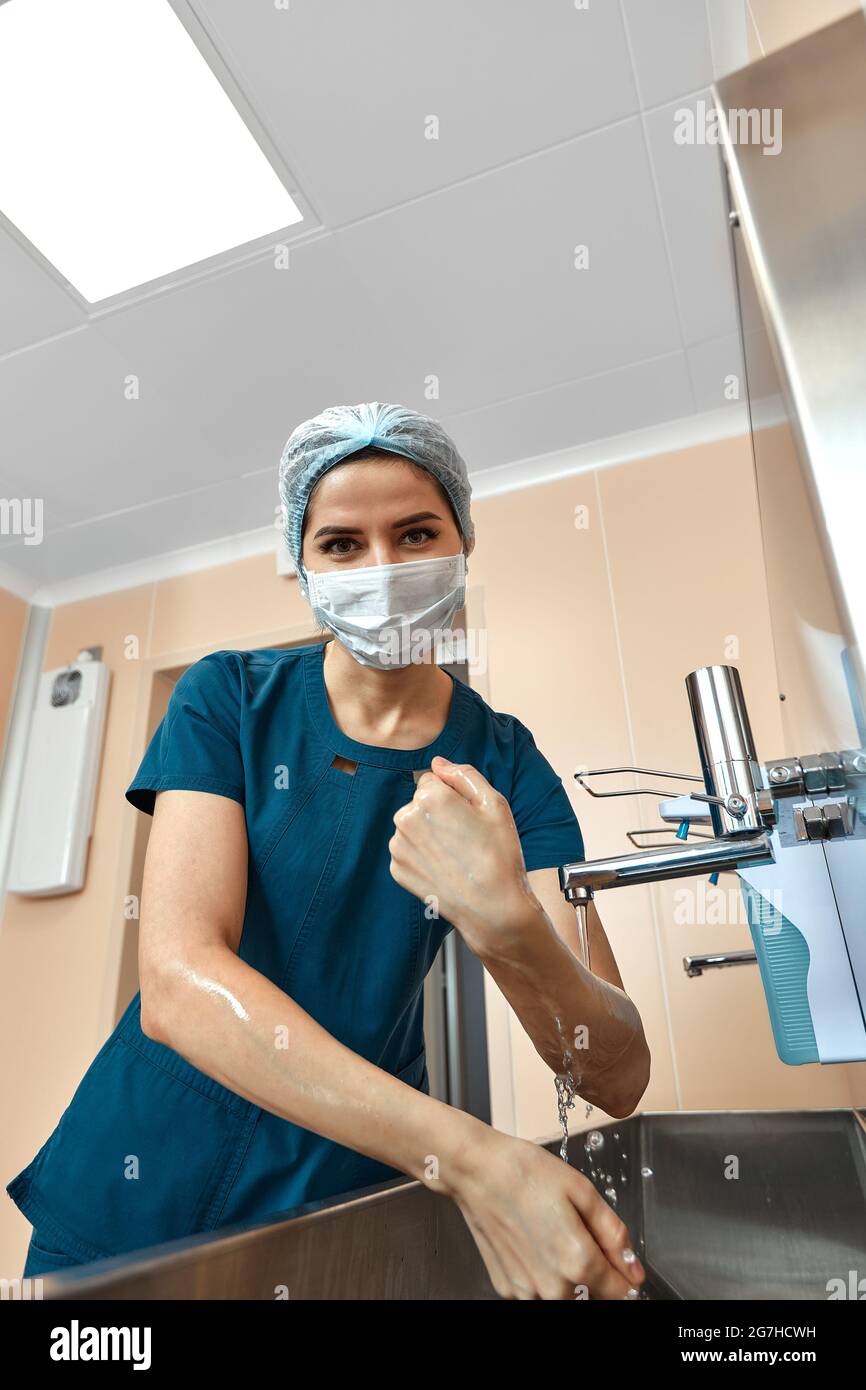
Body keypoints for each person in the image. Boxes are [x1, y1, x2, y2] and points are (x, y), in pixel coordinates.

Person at [8, 402, 650, 1299]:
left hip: (338, 1214)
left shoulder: (506, 765)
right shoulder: (227, 699)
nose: (382, 569)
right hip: (136, 1183)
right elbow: (178, 982)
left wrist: (513, 926)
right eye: (343, 544)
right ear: (301, 563)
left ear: (462, 540)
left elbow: (616, 1074)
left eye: (415, 532)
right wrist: (466, 1155)